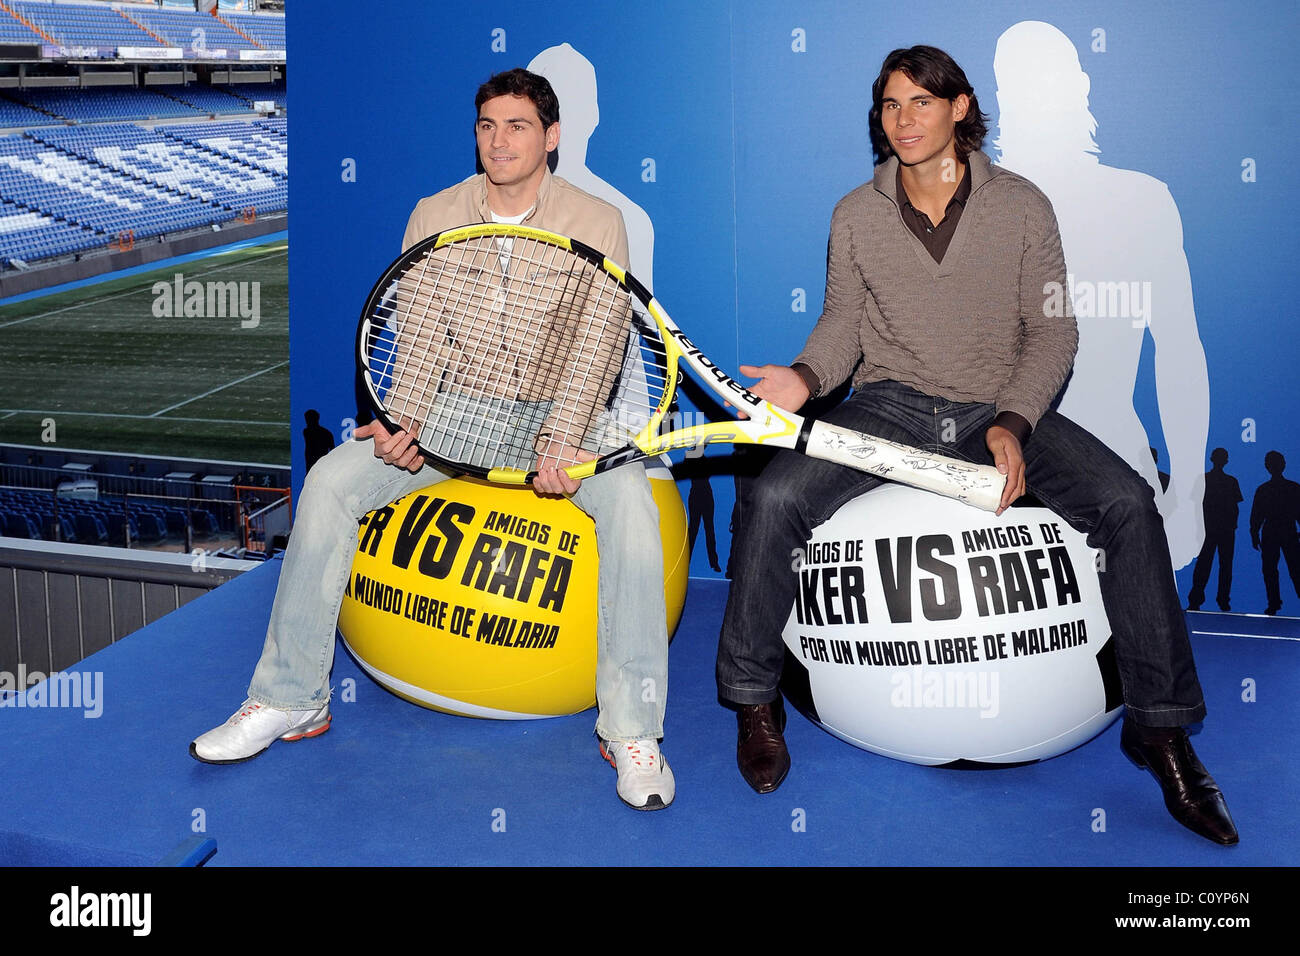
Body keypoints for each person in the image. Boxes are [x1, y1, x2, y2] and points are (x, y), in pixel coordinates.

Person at [716, 45, 1236, 845]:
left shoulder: (1025, 204)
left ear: (960, 108)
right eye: (890, 105)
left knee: (1129, 502)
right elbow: (843, 324)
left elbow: (1054, 329)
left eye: (921, 102)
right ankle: (754, 702)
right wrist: (802, 376)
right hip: (888, 405)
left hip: (998, 405)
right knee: (775, 491)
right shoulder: (855, 212)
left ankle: (1161, 731)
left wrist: (1015, 421)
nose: (904, 120)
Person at [192, 68, 675, 812]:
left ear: (552, 137)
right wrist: (406, 418)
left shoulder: (598, 219)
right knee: (330, 482)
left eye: (518, 126)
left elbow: (597, 345)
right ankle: (291, 697)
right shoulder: (434, 212)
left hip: (564, 415)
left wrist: (560, 440)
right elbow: (416, 333)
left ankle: (633, 731)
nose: (499, 140)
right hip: (458, 409)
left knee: (634, 515)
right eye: (487, 125)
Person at [1187, 447, 1242, 612]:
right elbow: (1198, 506)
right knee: (1212, 565)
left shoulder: (1222, 481)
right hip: (1213, 529)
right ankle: (1211, 599)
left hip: (1218, 529)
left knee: (1214, 565)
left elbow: (1234, 506)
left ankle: (1213, 599)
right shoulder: (1217, 480)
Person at [1249, 450, 1300, 616]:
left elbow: (1256, 516)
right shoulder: (1292, 488)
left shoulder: (1264, 489)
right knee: (1288, 568)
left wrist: (1255, 534)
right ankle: (1274, 602)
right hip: (1283, 530)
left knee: (1279, 569)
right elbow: (1256, 516)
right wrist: (1254, 533)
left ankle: (1274, 602)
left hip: (1275, 531)